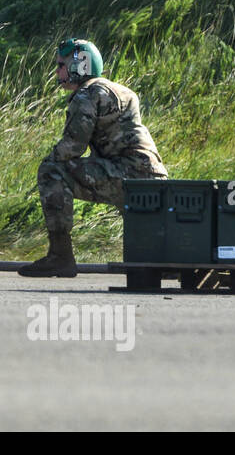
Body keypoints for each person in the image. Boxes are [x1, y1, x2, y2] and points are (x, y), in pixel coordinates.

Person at [21, 38, 167, 278]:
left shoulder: (87, 95)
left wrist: (50, 158)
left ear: (80, 65)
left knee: (51, 171)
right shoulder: (119, 89)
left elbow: (72, 148)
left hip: (127, 175)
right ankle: (159, 259)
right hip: (152, 175)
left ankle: (60, 257)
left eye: (61, 65)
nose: (57, 71)